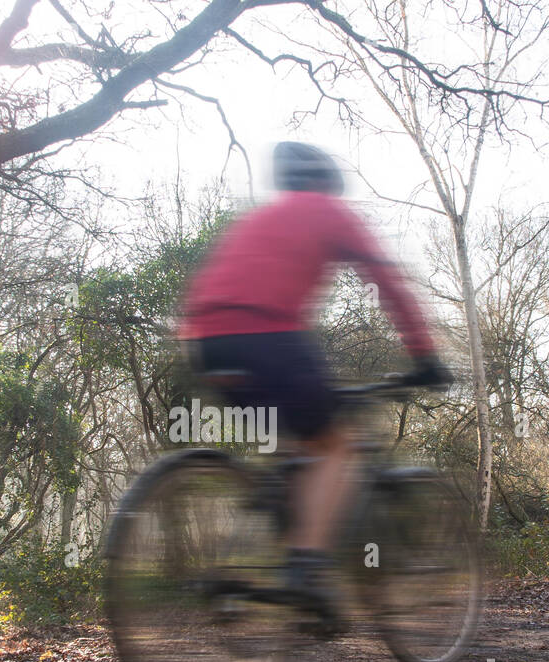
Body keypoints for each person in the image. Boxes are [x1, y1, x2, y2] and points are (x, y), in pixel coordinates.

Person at [178, 141, 452, 612]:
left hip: (205, 341)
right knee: (335, 445)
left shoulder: (256, 219)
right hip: (267, 333)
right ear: (325, 182)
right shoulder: (329, 211)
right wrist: (425, 355)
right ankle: (305, 568)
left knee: (300, 444)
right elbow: (386, 282)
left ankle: (276, 564)